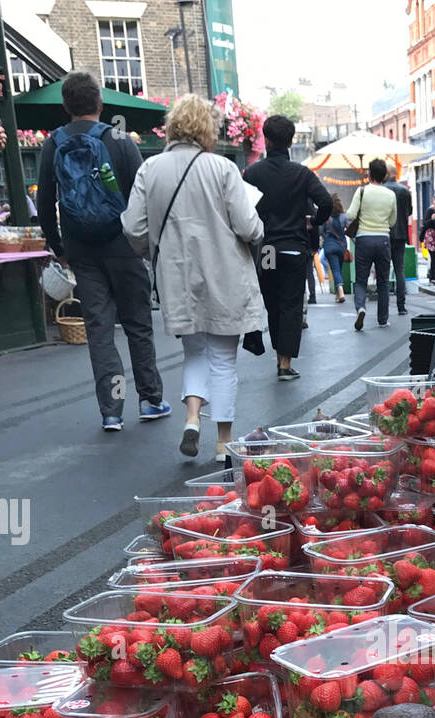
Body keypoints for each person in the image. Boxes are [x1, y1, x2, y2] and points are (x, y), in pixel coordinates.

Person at [122, 93, 264, 463]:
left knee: (194, 352)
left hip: (177, 278)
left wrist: (156, 253)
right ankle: (223, 442)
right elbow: (248, 226)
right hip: (225, 276)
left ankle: (191, 419)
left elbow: (133, 227)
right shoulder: (222, 169)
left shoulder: (149, 169)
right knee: (222, 358)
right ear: (207, 129)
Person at [38, 70, 169, 432]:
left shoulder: (53, 144)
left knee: (99, 330)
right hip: (123, 244)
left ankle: (112, 410)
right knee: (138, 324)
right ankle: (151, 399)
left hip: (81, 247)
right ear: (100, 102)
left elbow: (45, 200)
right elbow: (142, 197)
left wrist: (58, 245)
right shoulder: (120, 140)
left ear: (66, 105)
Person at [243, 114, 331, 382]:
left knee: (273, 304)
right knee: (292, 304)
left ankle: (277, 355)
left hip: (267, 249)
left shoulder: (253, 173)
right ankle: (285, 363)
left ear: (266, 140)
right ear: (291, 141)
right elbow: (326, 202)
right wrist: (313, 221)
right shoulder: (302, 174)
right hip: (294, 248)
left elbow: (241, 209)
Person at [346, 158, 396, 331]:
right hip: (383, 239)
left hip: (363, 239)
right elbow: (393, 220)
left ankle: (361, 307)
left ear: (369, 173)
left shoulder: (361, 191)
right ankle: (383, 319)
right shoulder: (390, 195)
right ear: (385, 175)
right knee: (383, 281)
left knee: (361, 280)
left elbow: (351, 215)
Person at [384, 159, 412, 317]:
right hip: (401, 234)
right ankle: (401, 306)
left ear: (386, 174)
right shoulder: (404, 190)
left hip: (385, 233)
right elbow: (409, 211)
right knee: (399, 269)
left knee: (384, 270)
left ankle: (385, 305)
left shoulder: (382, 189)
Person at [321, 195, 348, 304]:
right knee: (338, 269)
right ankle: (338, 294)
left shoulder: (326, 217)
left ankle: (340, 292)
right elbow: (349, 229)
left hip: (329, 246)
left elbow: (321, 232)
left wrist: (325, 237)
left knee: (335, 269)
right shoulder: (344, 217)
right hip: (341, 246)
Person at [421, 201, 435, 285]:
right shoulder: (430, 211)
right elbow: (425, 224)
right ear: (434, 200)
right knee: (434, 258)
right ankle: (433, 278)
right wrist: (432, 219)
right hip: (432, 237)